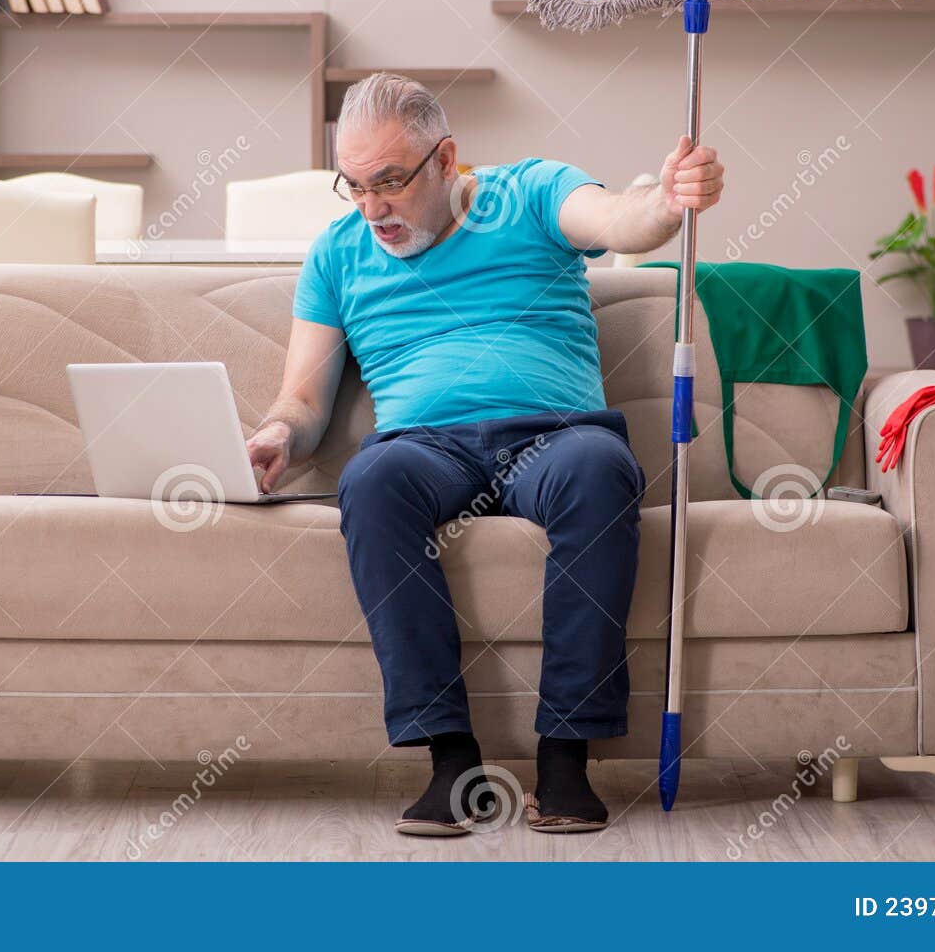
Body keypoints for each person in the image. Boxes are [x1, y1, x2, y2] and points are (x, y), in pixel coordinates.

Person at [245, 73, 724, 834]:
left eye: (392, 182)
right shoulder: (337, 255)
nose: (373, 209)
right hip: (423, 451)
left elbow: (621, 219)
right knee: (370, 482)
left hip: (556, 437)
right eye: (356, 186)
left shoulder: (530, 192)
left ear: (446, 161)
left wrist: (665, 200)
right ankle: (451, 761)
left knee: (601, 473)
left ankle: (565, 760)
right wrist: (275, 436)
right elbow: (301, 402)